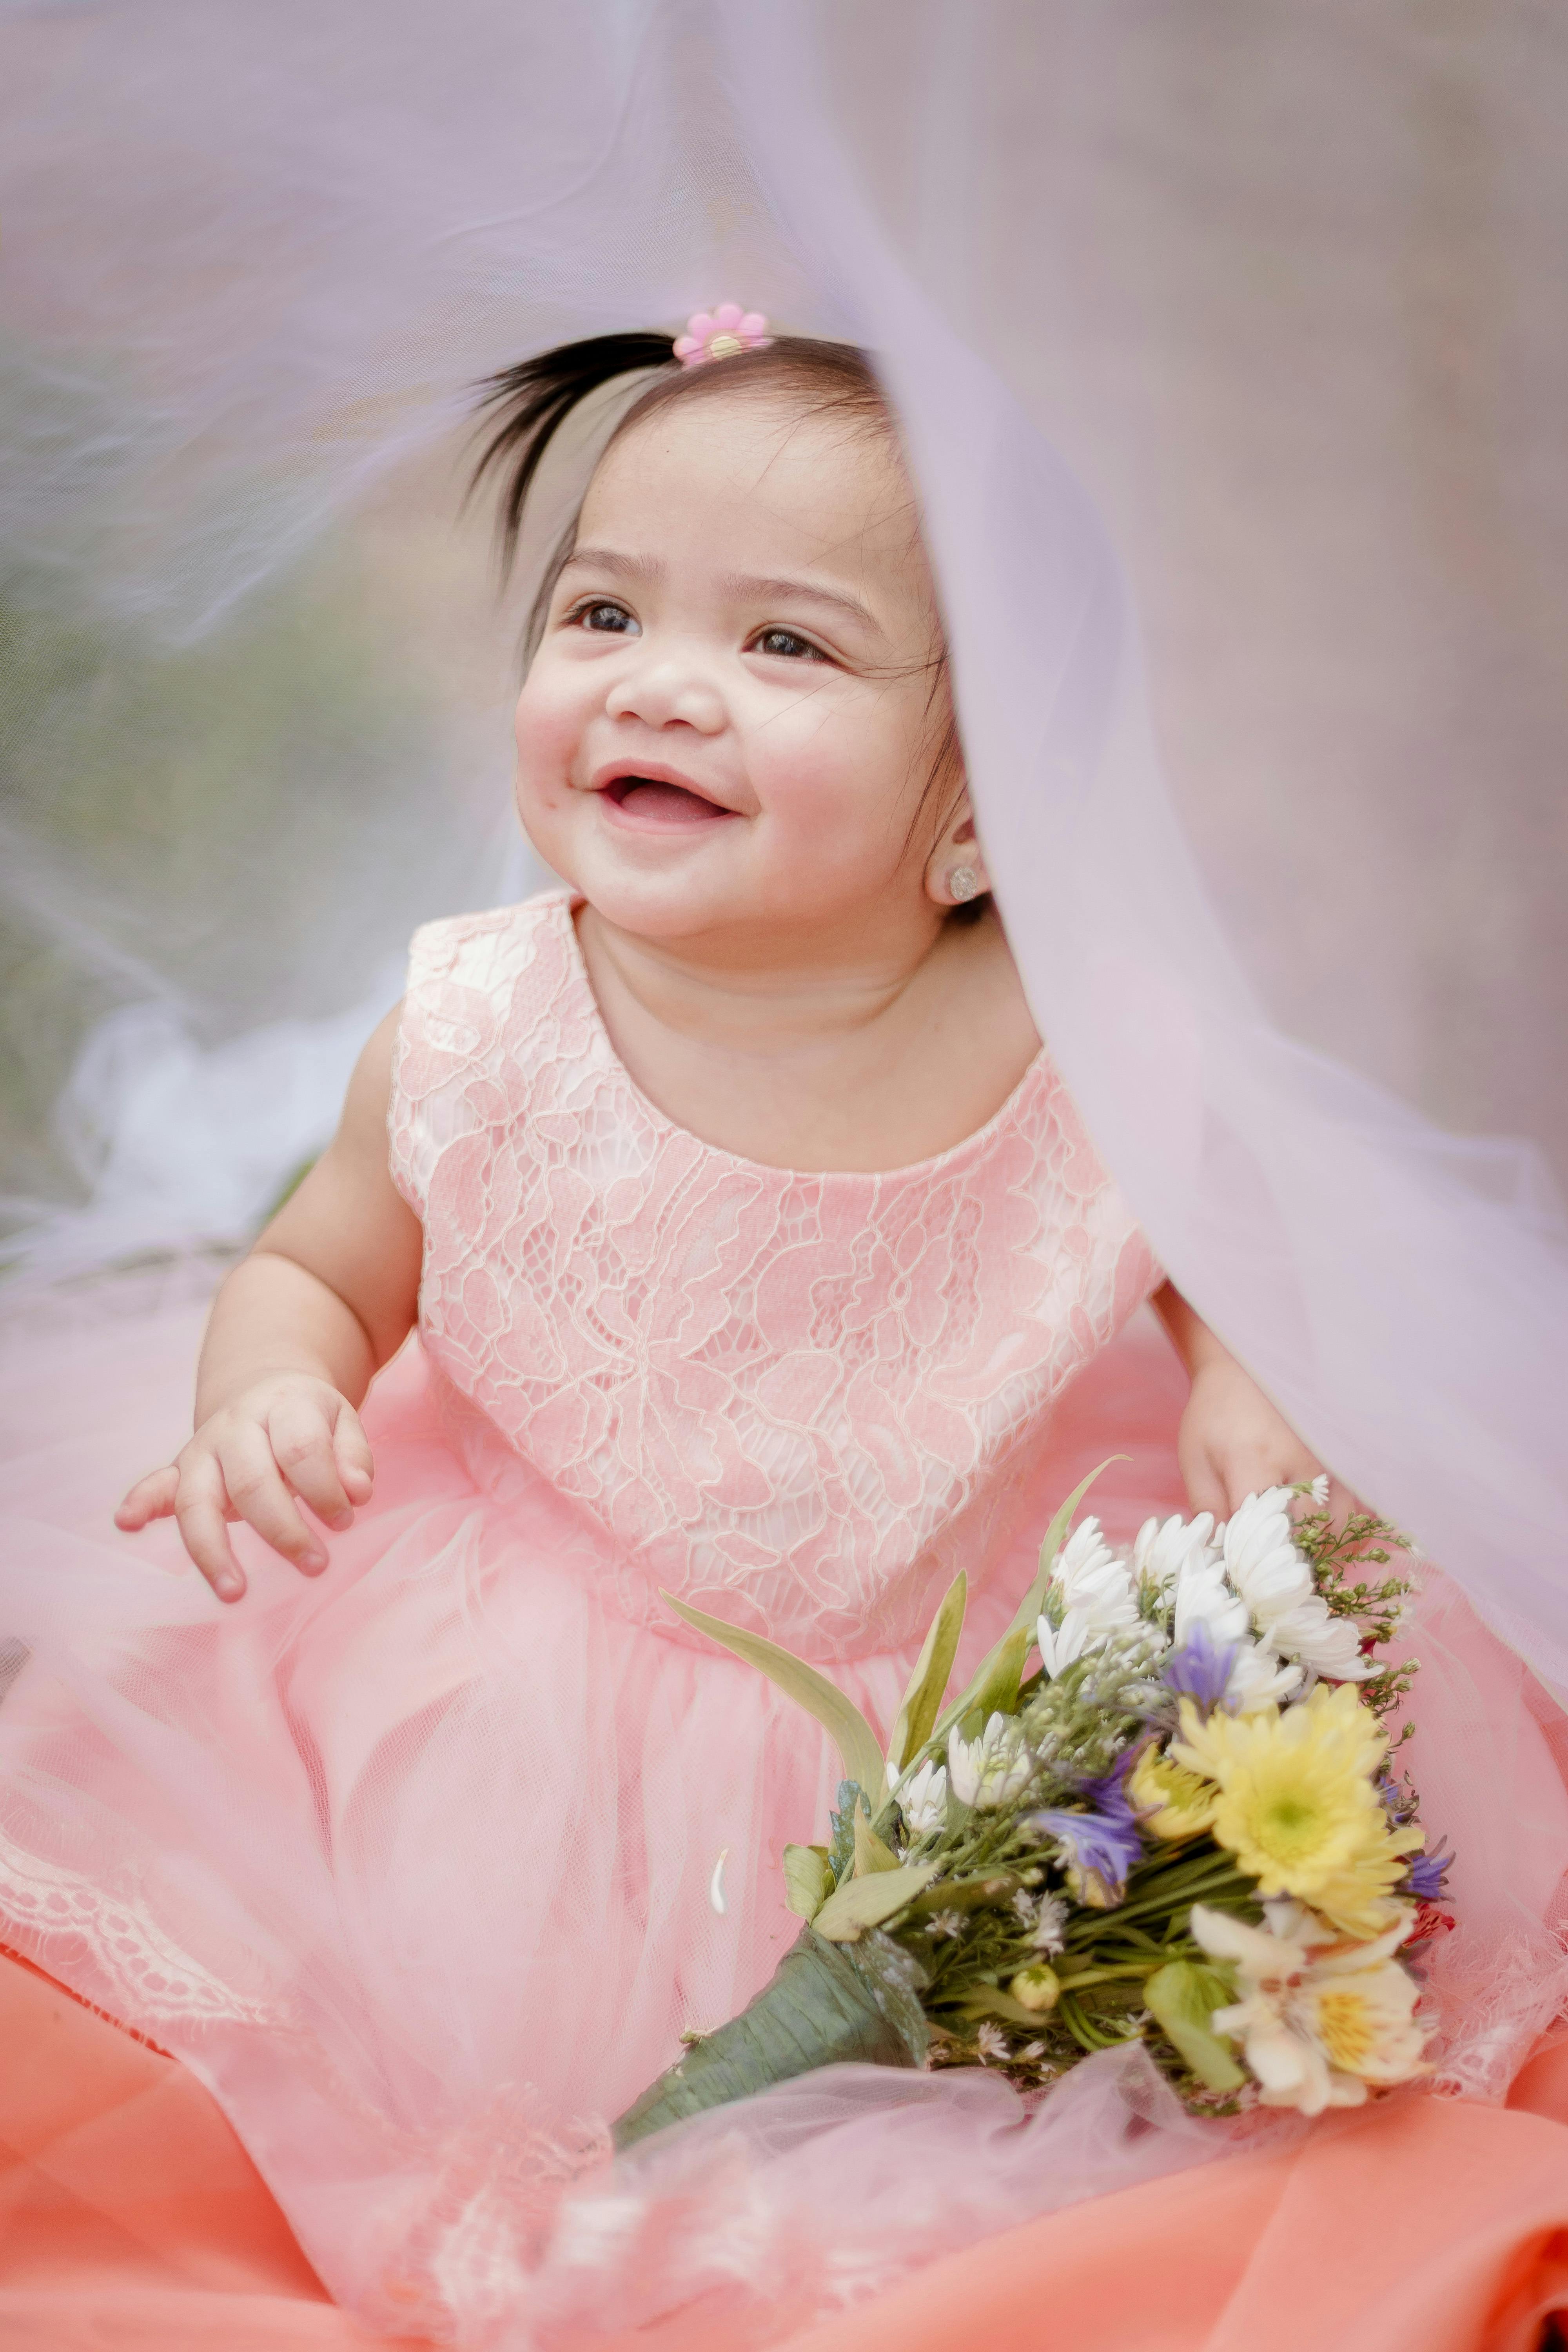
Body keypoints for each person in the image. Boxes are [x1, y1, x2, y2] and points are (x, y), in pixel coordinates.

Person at [1, 323, 1565, 2352]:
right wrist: (272, 1385)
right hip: (505, 1687)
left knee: (1025, 2070)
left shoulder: (1092, 1060)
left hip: (943, 1674)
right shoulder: (473, 1031)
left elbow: (1213, 1258)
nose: (659, 682)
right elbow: (323, 1262)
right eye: (604, 612)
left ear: (984, 808)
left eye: (786, 645)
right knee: (427, 2085)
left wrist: (1245, 1386)